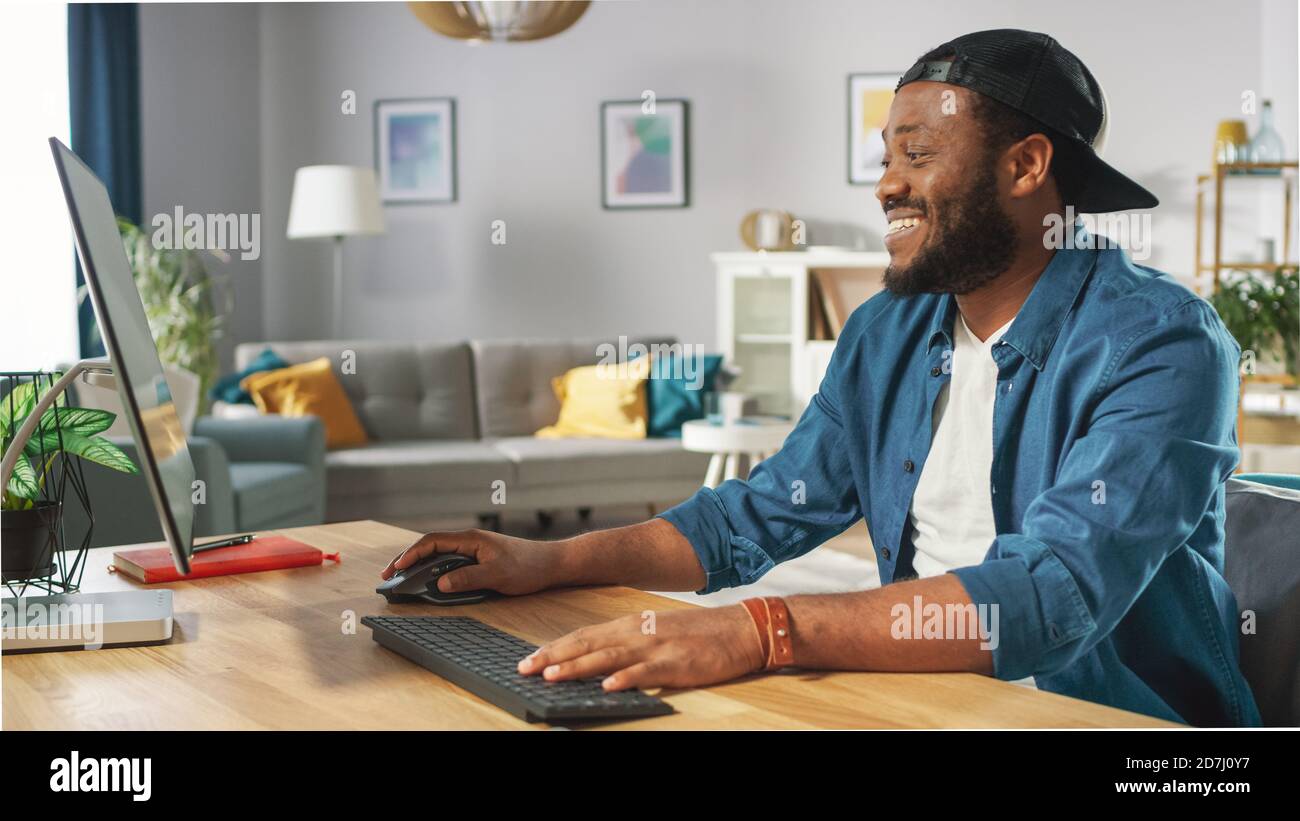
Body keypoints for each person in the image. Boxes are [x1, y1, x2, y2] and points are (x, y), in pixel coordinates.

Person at [382, 29, 1260, 726]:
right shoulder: (889, 330)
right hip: (922, 697)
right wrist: (547, 559)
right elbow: (754, 515)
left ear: (1027, 166)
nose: (885, 186)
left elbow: (1051, 595)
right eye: (885, 157)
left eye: (915, 154)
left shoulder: (1163, 344)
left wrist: (760, 629)